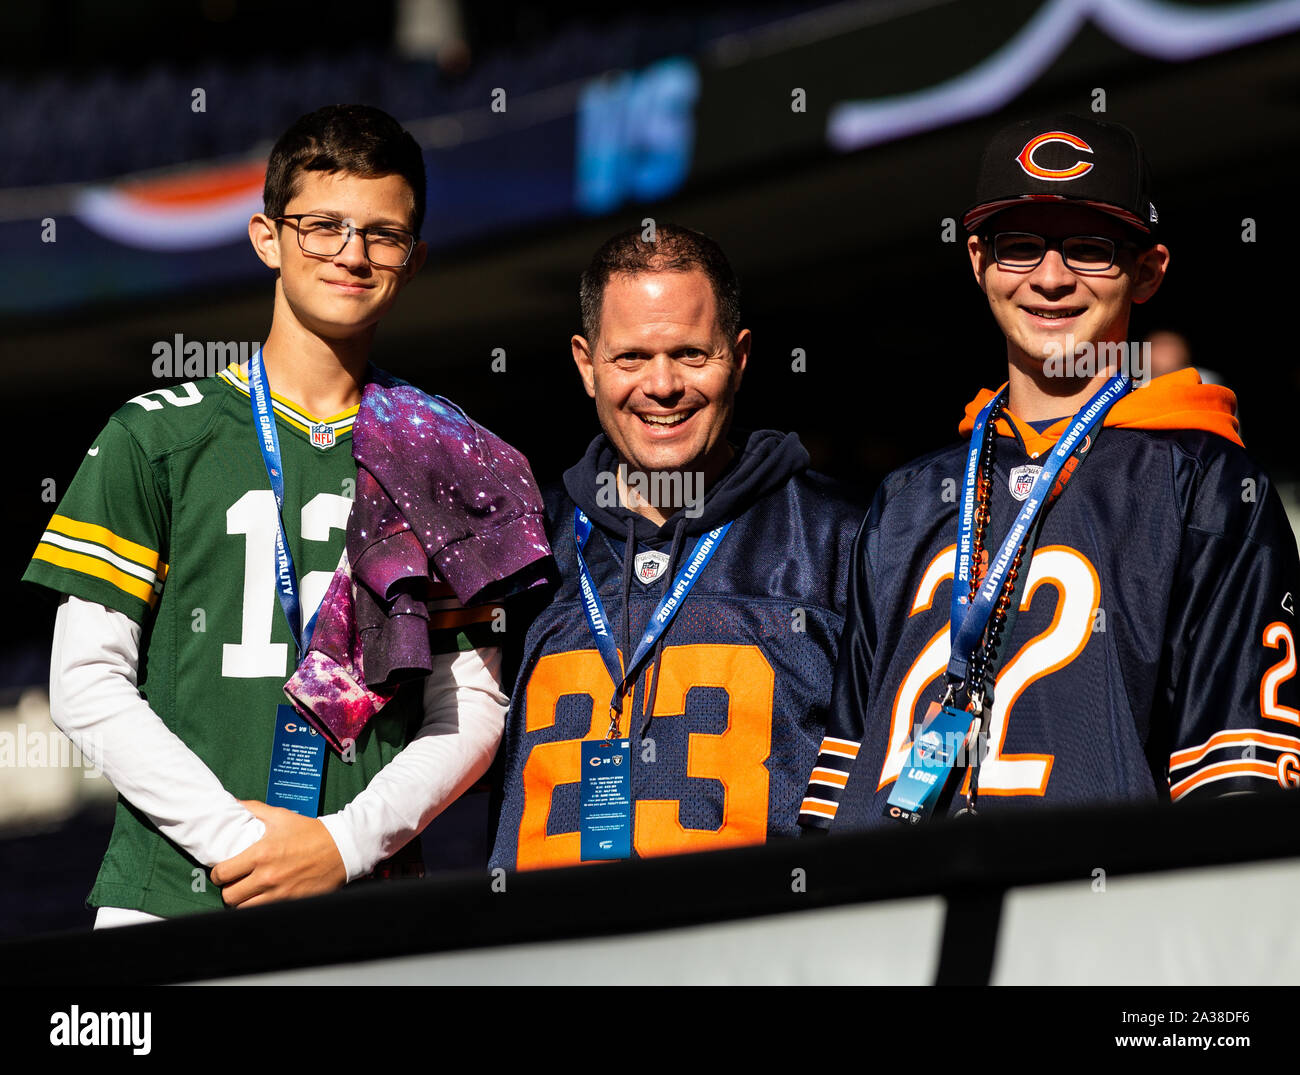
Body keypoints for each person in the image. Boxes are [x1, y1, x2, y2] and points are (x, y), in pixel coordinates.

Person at [23, 105, 519, 924]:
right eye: (323, 226)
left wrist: (341, 845)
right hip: (172, 903)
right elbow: (84, 683)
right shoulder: (154, 436)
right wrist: (239, 840)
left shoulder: (453, 455)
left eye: (382, 235)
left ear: (416, 258)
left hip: (365, 901)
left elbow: (468, 707)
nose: (352, 255)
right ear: (267, 238)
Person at [800, 115, 1300, 832]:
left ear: (1149, 270)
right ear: (977, 260)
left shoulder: (1208, 485)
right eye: (1021, 247)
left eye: (1090, 249)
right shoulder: (908, 499)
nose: (1051, 277)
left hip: (1091, 931)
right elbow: (834, 793)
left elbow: (1241, 798)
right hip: (886, 929)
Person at [489, 223, 864, 870]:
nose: (662, 386)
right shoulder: (524, 547)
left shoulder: (843, 539)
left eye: (692, 354)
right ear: (586, 364)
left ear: (741, 357)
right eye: (630, 357)